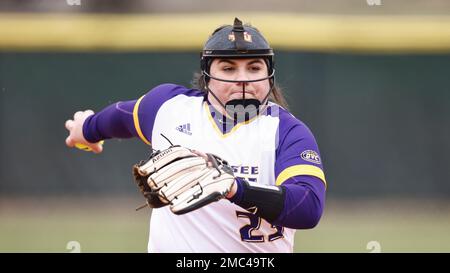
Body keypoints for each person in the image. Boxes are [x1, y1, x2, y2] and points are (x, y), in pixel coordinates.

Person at [65, 18, 327, 253]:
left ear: (269, 75)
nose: (243, 79)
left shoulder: (286, 131)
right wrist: (87, 129)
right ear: (207, 76)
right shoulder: (169, 108)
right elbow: (121, 116)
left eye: (254, 68)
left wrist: (234, 188)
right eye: (228, 69)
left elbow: (308, 207)